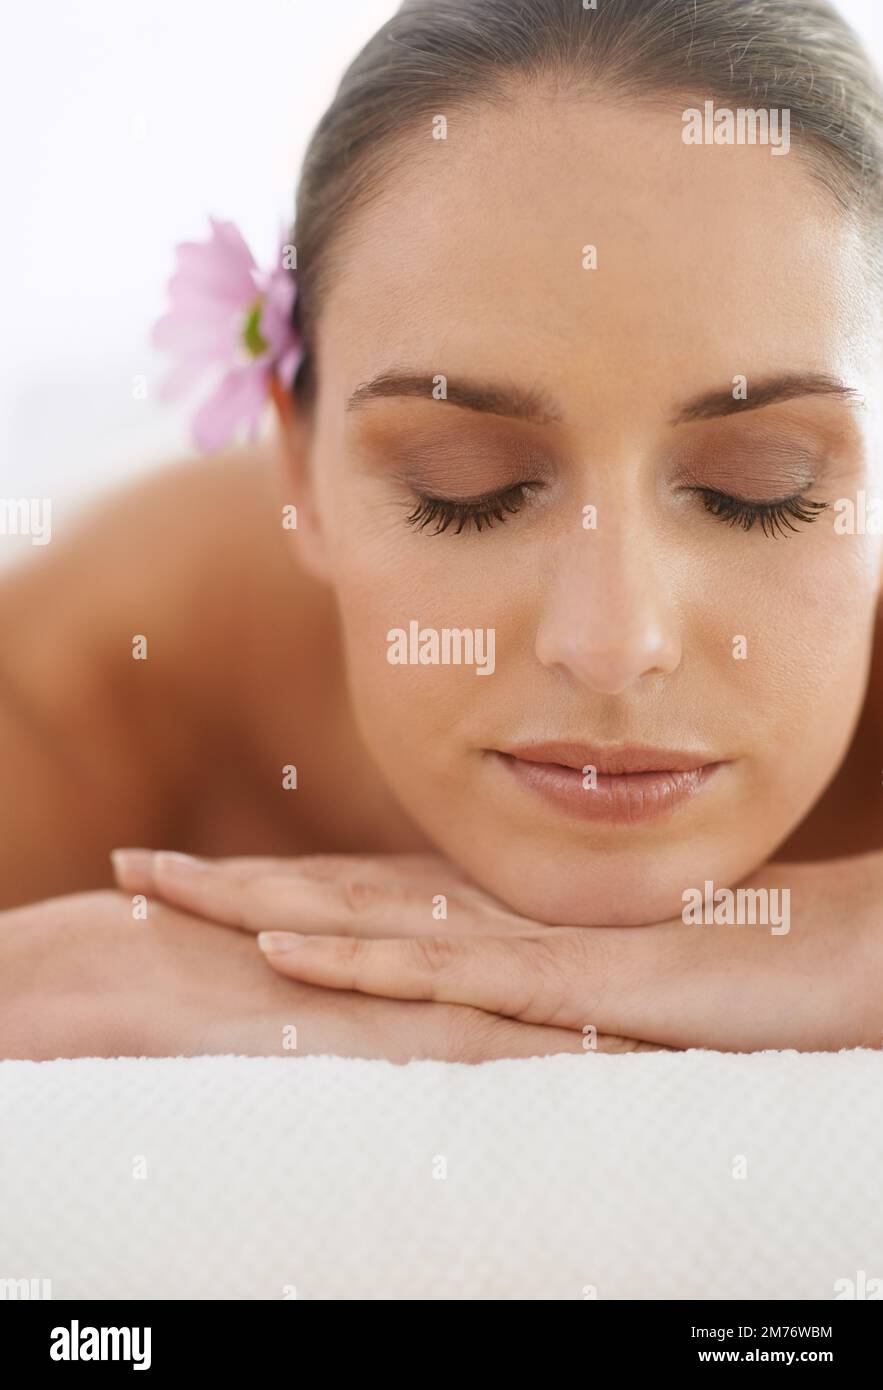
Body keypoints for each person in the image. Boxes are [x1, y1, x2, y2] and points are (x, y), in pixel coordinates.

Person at [3, 0, 883, 1061]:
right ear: (301, 472)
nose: (612, 643)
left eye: (761, 488)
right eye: (465, 488)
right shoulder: (104, 675)